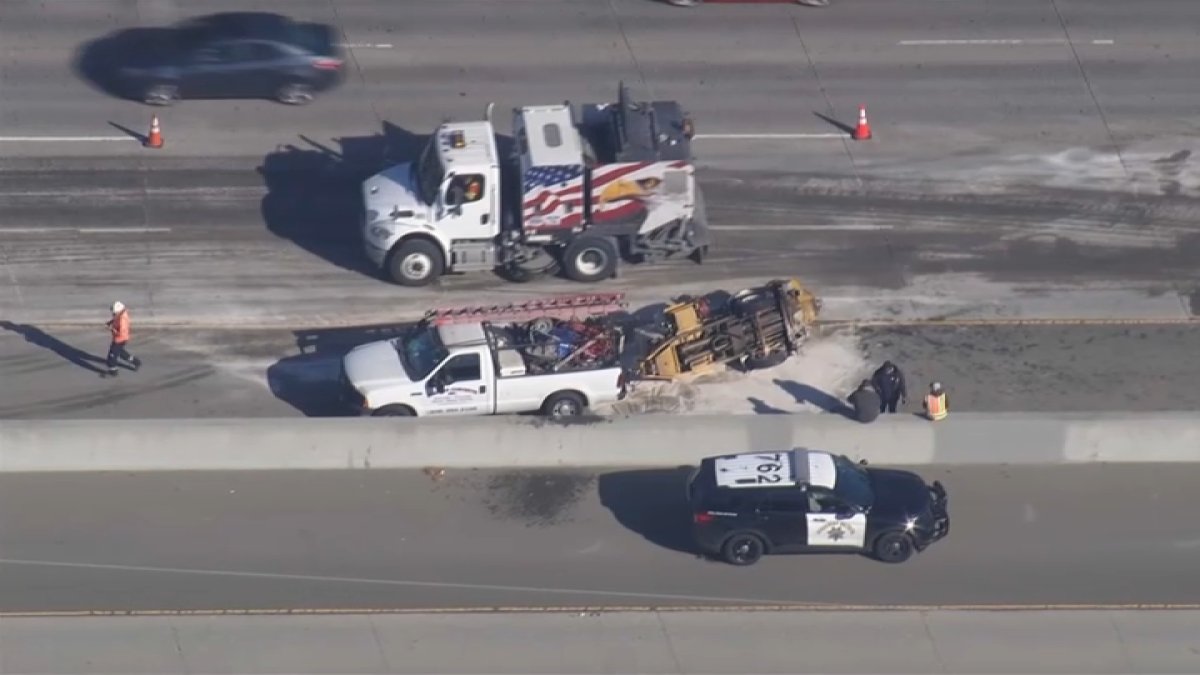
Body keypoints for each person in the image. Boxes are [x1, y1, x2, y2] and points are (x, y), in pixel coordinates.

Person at [104, 301, 141, 377]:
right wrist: (111, 322)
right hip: (120, 338)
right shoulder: (120, 314)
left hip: (120, 339)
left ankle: (113, 370)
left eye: (114, 312)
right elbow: (115, 319)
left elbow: (121, 332)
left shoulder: (122, 320)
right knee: (120, 353)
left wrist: (112, 328)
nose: (113, 313)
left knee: (112, 355)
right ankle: (136, 362)